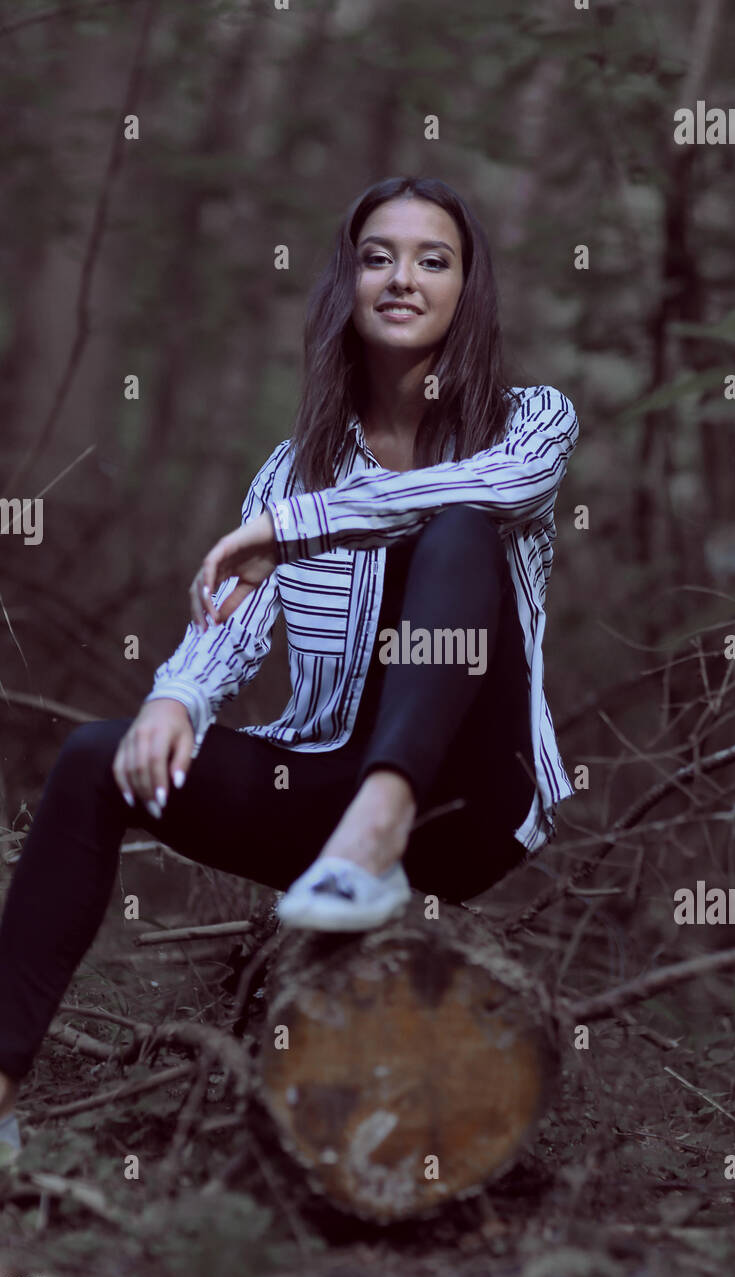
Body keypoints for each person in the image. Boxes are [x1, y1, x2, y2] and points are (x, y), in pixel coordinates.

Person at [0, 175, 579, 1159]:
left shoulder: (527, 420)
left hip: (470, 804)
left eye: (431, 260)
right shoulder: (292, 466)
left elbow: (503, 488)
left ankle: (379, 825)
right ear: (347, 284)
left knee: (456, 531)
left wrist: (291, 528)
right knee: (95, 759)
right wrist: (172, 697)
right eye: (376, 256)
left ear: (465, 291)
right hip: (315, 786)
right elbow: (226, 629)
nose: (401, 277)